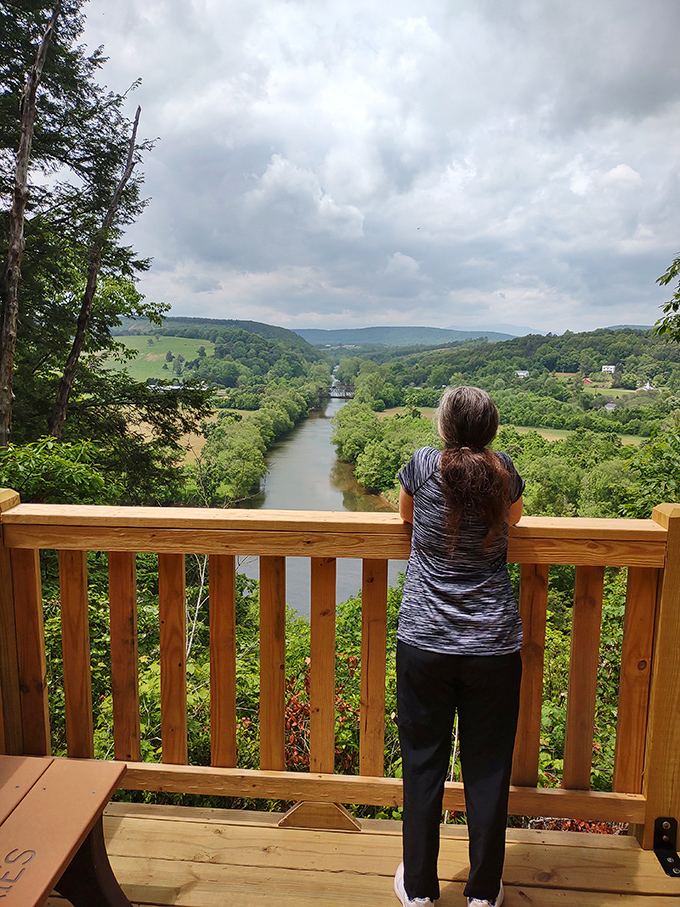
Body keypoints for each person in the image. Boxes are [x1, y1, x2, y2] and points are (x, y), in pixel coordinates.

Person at [393, 386, 524, 907]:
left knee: (423, 761)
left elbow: (404, 515)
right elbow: (513, 521)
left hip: (426, 640)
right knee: (488, 766)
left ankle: (421, 888)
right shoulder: (503, 471)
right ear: (490, 428)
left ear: (444, 427)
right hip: (492, 644)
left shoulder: (423, 465)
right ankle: (483, 892)